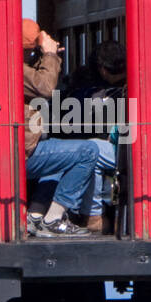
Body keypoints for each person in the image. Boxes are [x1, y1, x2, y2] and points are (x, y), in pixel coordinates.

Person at [22, 19, 99, 238]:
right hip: (24, 152)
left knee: (58, 160)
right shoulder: (13, 65)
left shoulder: (15, 62)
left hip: (26, 146)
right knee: (88, 152)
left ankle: (36, 216)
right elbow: (45, 87)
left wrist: (45, 55)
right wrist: (50, 54)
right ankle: (54, 218)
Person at [56, 40, 127, 233]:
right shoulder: (84, 84)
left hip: (123, 145)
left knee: (91, 150)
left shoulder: (86, 86)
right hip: (114, 141)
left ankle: (92, 215)